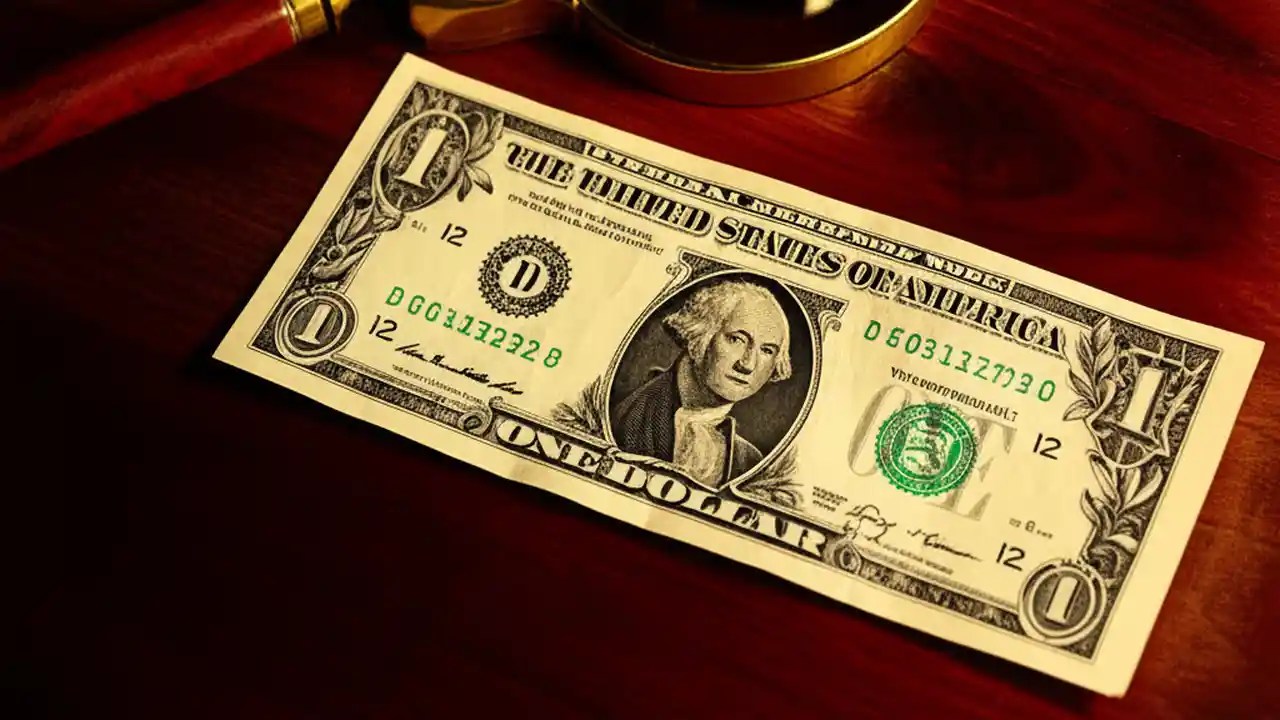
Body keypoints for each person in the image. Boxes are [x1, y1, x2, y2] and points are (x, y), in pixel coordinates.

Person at [612, 279, 793, 489]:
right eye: (736, 340)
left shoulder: (749, 460)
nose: (748, 364)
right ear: (699, 336)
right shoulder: (627, 412)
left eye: (767, 350)